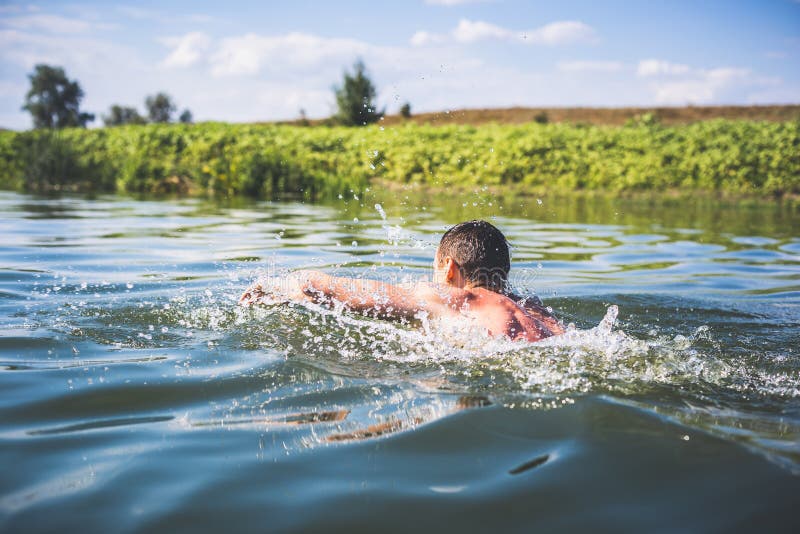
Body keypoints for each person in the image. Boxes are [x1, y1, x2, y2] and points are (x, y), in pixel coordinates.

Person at [239, 220, 564, 342]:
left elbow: (326, 288)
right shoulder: (533, 309)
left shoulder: (451, 298)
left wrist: (284, 286)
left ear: (449, 269)